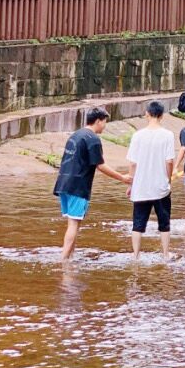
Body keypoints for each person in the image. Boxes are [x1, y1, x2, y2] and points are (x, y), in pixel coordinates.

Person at [54, 106, 131, 261]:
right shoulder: (93, 139)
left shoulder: (75, 135)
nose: (105, 126)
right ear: (98, 121)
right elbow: (100, 165)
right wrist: (122, 177)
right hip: (78, 186)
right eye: (104, 122)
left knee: (73, 222)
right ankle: (64, 261)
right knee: (74, 223)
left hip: (63, 183)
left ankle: (70, 257)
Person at [126, 101, 176, 259]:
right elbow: (169, 161)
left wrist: (131, 184)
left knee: (138, 224)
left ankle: (135, 256)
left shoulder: (137, 135)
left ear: (147, 114)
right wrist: (168, 179)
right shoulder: (168, 135)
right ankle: (166, 254)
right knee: (164, 222)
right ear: (162, 115)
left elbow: (132, 163)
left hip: (141, 186)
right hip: (161, 187)